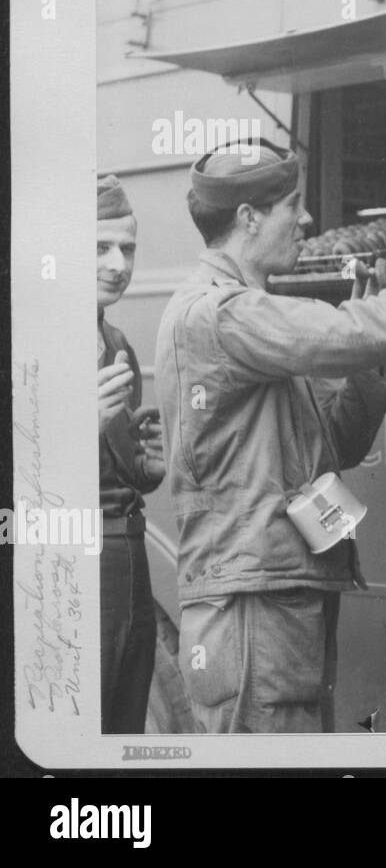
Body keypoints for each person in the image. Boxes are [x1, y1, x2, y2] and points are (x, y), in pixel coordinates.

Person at [154, 140, 386, 733]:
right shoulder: (223, 314)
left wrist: (366, 361)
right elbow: (358, 333)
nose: (306, 220)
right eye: (291, 206)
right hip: (254, 610)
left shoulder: (253, 312)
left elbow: (338, 445)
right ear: (248, 218)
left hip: (278, 602)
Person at [97, 175, 164, 733]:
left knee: (126, 726)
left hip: (131, 555)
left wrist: (147, 466)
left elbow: (126, 473)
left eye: (128, 248)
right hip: (78, 563)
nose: (119, 263)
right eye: (98, 247)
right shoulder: (30, 345)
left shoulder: (117, 345)